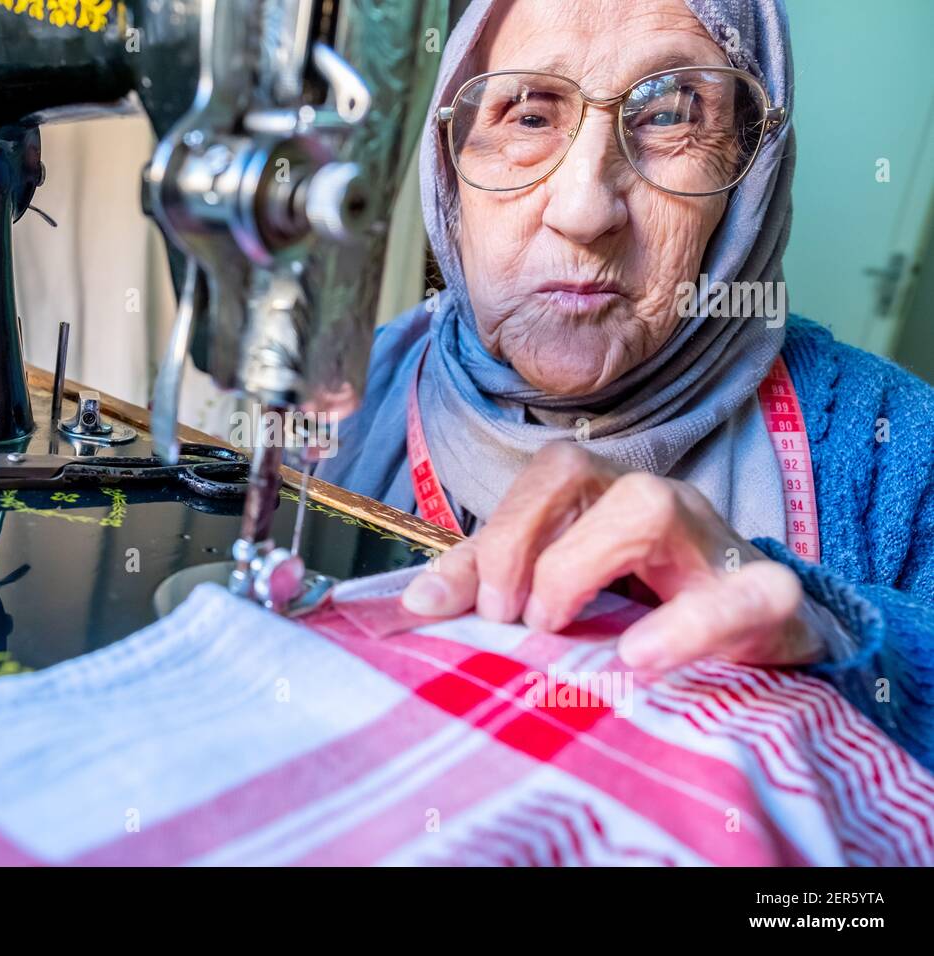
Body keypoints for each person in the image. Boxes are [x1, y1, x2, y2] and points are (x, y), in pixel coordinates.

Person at [319, 0, 934, 770]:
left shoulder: (894, 442)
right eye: (528, 115)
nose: (584, 209)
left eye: (671, 112)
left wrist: (833, 629)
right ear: (449, 164)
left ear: (748, 173)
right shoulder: (352, 391)